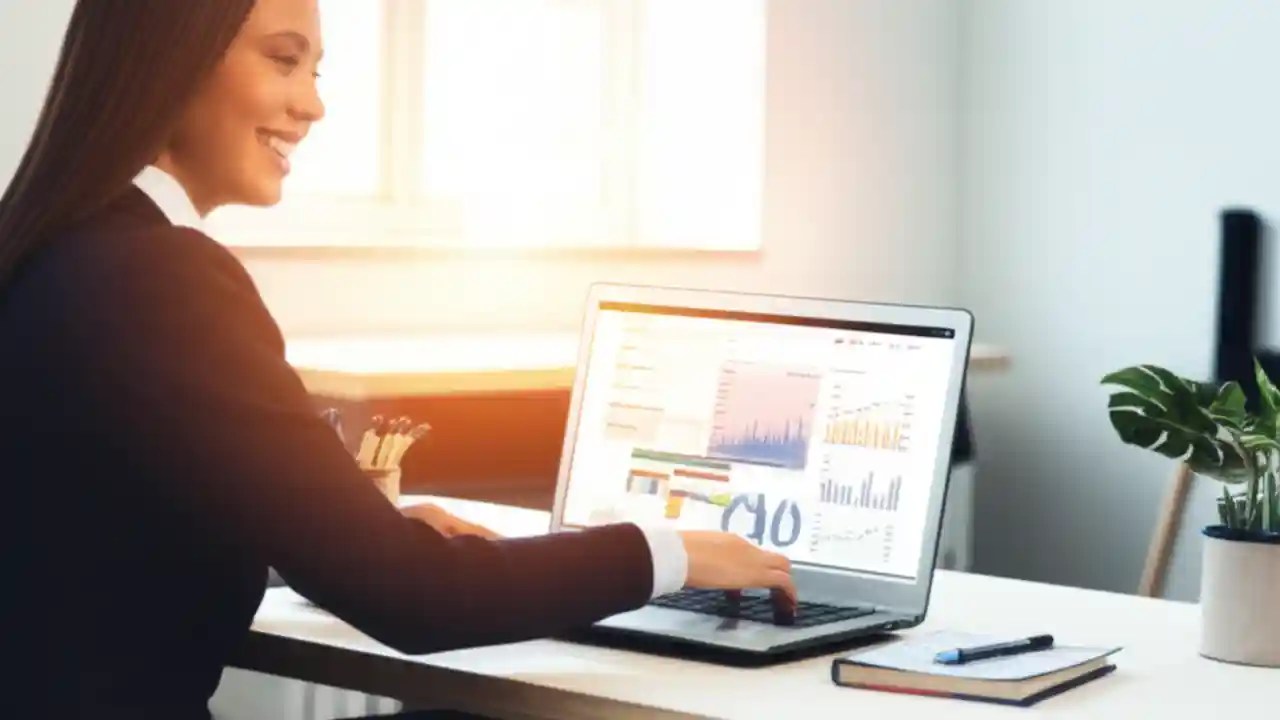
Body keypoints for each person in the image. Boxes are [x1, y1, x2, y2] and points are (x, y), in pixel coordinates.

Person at [0, 1, 798, 718]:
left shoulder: (52, 249)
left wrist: (341, 529)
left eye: (315, 70)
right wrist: (669, 551)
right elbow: (419, 602)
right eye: (283, 59)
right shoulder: (161, 277)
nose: (312, 103)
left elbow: (84, 547)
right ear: (170, 52)